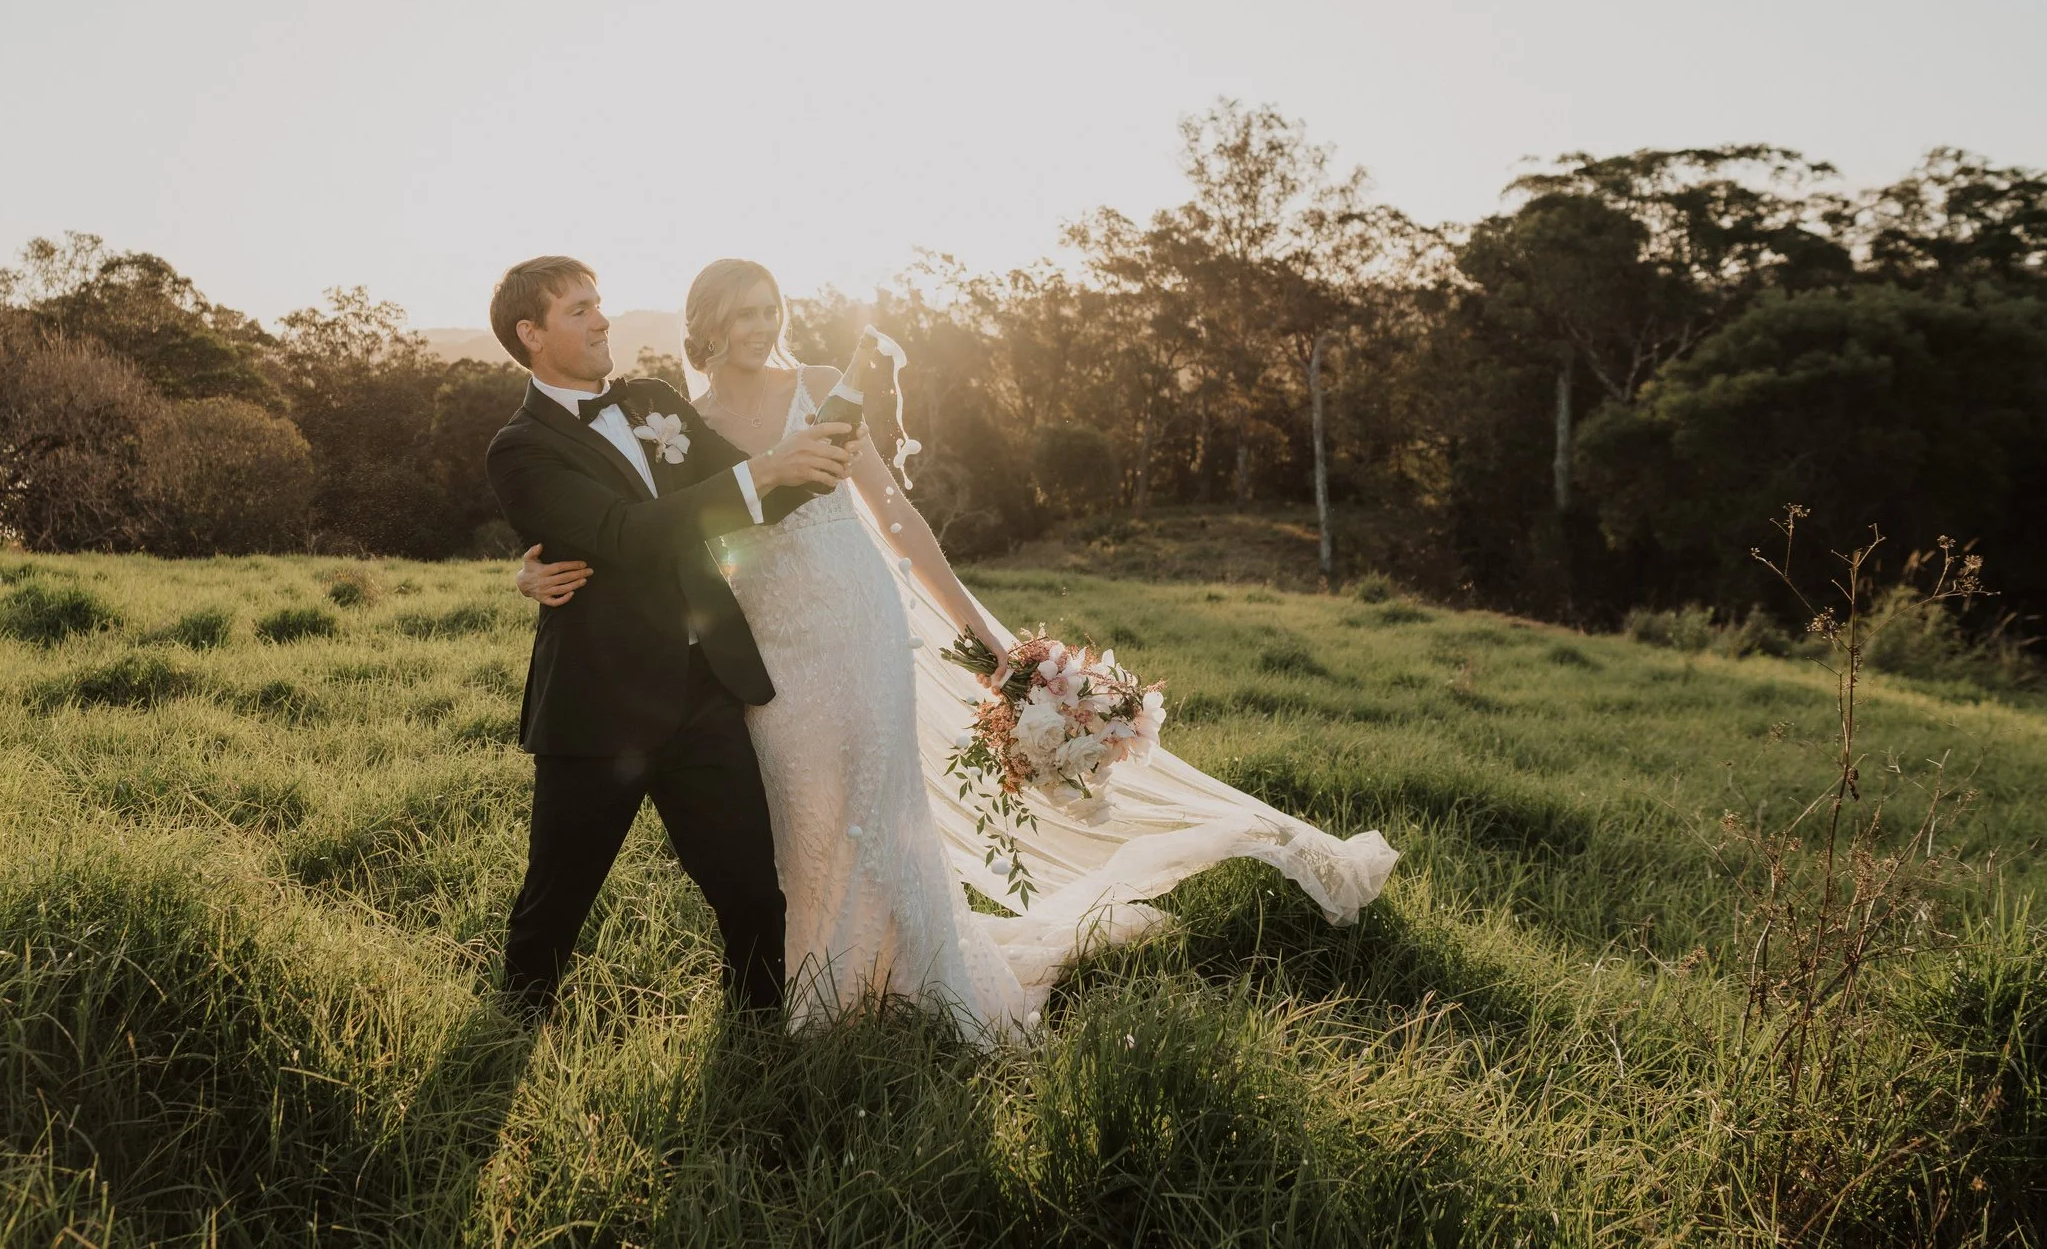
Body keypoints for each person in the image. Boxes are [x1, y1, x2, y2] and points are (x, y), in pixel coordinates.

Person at [516, 258, 1400, 1039]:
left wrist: (986, 634)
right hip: (760, 644)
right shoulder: (677, 416)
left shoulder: (795, 389)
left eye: (770, 308)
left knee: (877, 800)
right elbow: (641, 517)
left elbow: (889, 514)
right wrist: (533, 569)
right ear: (704, 327)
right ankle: (811, 989)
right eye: (741, 313)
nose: (760, 326)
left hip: (855, 625)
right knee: (795, 818)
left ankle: (918, 980)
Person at [480, 255, 861, 1019]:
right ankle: (502, 1047)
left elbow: (743, 495)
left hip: (704, 692)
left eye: (600, 303)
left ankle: (757, 1051)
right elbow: (625, 533)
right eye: (580, 310)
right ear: (531, 333)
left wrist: (827, 440)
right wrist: (766, 473)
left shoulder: (651, 400)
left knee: (753, 894)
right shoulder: (520, 449)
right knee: (554, 905)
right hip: (598, 707)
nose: (601, 320)